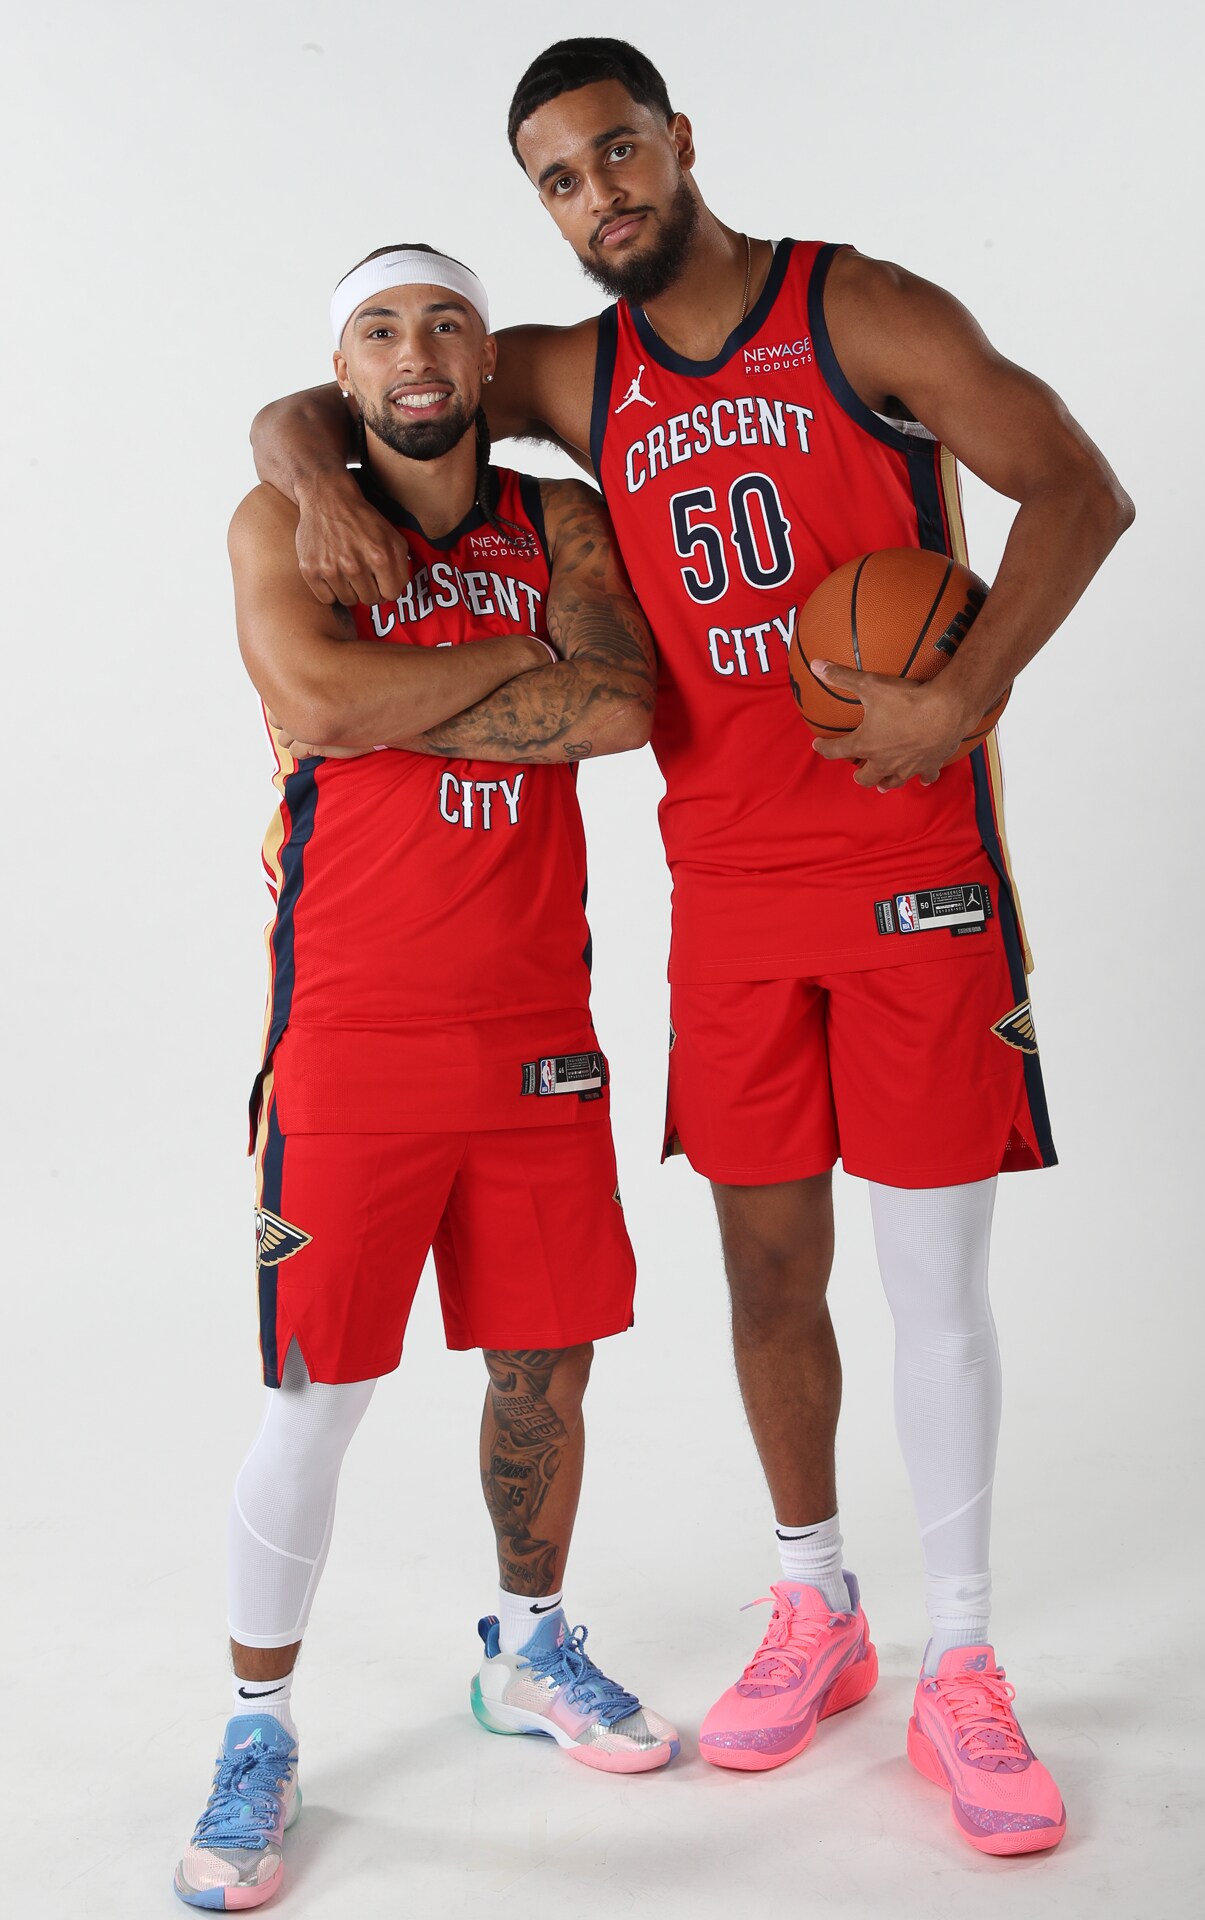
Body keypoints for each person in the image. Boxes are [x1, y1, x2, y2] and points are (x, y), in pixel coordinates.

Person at [251, 41, 1134, 1858]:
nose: (599, 199)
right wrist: (286, 445)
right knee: (765, 1273)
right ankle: (815, 1605)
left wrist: (964, 693)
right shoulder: (578, 373)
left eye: (618, 155)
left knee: (933, 1281)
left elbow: (1081, 487)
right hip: (726, 889)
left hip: (909, 867)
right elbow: (372, 388)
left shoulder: (860, 309)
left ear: (681, 141)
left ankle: (964, 1659)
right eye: (561, 185)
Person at [175, 244, 674, 1913]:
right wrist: (479, 673)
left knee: (546, 1370)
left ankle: (530, 1650)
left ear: (483, 351)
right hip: (355, 1032)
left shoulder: (556, 519)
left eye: (447, 318)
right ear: (342, 366)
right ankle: (257, 1726)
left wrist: (401, 702)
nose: (420, 347)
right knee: (313, 1399)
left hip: (536, 1032)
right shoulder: (288, 520)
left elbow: (617, 702)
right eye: (381, 326)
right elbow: (308, 694)